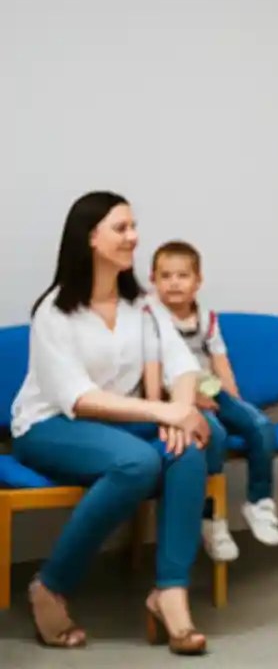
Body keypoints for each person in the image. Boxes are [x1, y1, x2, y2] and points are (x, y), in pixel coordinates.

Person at [9, 191, 221, 655]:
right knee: (139, 463)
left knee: (186, 451)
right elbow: (79, 400)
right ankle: (50, 585)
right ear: (90, 238)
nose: (134, 237)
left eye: (133, 226)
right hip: (48, 426)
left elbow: (182, 366)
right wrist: (163, 411)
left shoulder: (142, 306)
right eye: (121, 228)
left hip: (115, 425)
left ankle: (170, 594)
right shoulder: (54, 312)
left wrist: (183, 412)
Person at [144, 240, 278, 562]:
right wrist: (191, 397)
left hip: (209, 388)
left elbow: (219, 361)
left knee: (260, 426)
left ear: (198, 281)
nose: (174, 283)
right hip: (175, 393)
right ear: (153, 280)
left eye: (182, 275)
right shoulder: (150, 317)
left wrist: (236, 404)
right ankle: (211, 517)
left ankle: (259, 502)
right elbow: (154, 369)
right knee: (214, 435)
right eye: (166, 276)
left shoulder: (206, 318)